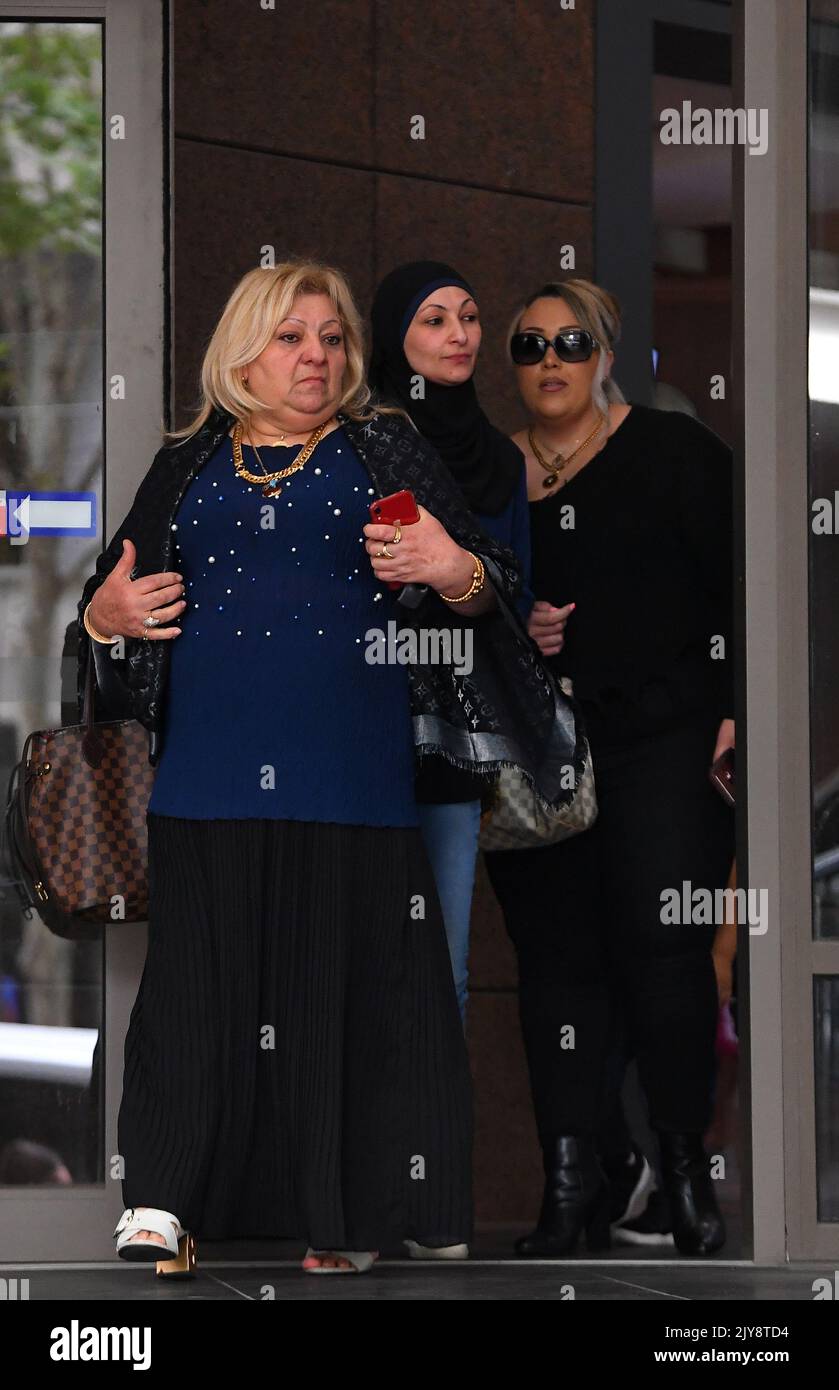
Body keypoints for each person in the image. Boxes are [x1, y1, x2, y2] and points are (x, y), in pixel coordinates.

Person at [77, 260, 582, 1276]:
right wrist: (104, 617)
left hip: (349, 775)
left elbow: (491, 582)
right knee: (190, 991)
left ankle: (341, 1215)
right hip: (206, 772)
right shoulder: (188, 462)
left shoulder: (380, 447)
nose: (315, 357)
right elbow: (107, 592)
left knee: (338, 996)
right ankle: (161, 1200)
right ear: (243, 351)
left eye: (332, 338)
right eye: (290, 337)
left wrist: (453, 570)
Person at [483, 277, 735, 1257]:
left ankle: (680, 1176)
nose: (549, 362)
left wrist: (729, 717)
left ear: (605, 352)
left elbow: (739, 589)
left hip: (665, 735)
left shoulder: (670, 451)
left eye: (570, 343)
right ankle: (572, 1180)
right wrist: (517, 618)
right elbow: (455, 601)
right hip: (538, 746)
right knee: (555, 970)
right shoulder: (493, 477)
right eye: (530, 346)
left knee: (664, 955)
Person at [369, 260, 532, 1025]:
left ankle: (428, 1145)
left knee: (444, 969)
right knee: (353, 967)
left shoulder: (498, 457)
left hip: (456, 733)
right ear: (393, 338)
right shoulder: (357, 439)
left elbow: (511, 585)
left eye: (467, 317)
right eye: (433, 320)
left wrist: (510, 608)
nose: (458, 335)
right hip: (361, 721)